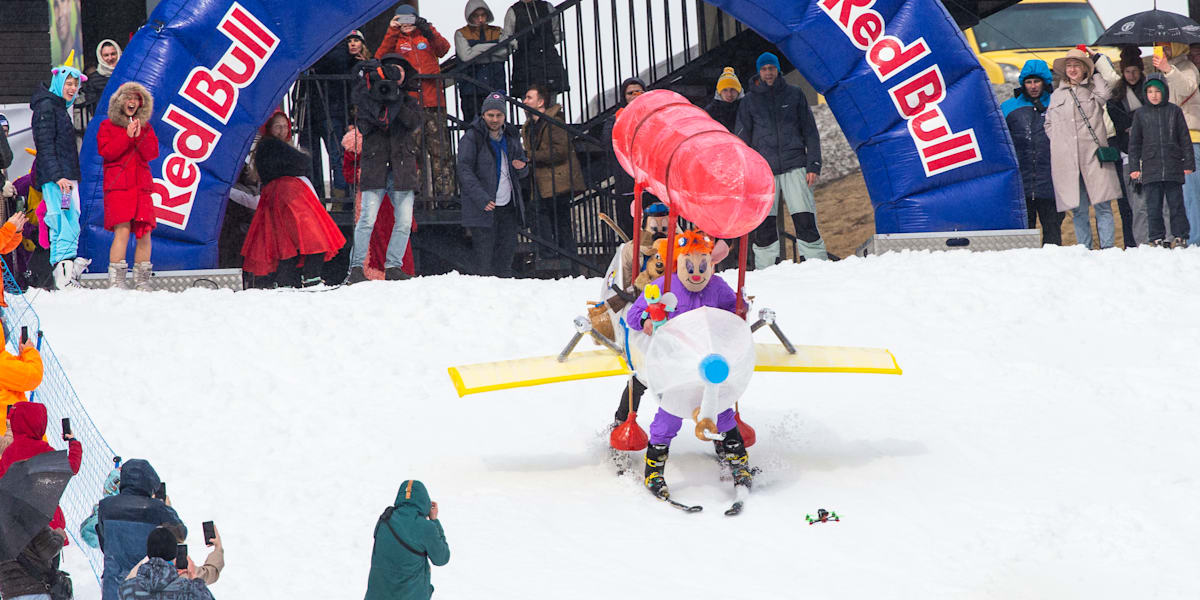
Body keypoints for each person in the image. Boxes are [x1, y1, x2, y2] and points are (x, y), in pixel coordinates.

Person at [624, 229, 754, 498]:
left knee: (723, 414)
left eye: (703, 265)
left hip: (709, 365)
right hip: (676, 369)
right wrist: (646, 322)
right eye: (690, 265)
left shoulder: (717, 286)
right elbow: (633, 315)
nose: (697, 273)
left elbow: (733, 311)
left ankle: (739, 466)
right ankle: (654, 472)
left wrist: (739, 313)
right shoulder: (664, 286)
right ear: (680, 261)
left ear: (711, 263)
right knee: (668, 419)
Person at [735, 52, 827, 266]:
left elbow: (810, 132)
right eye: (765, 69)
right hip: (763, 171)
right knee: (765, 223)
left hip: (795, 164)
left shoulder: (794, 94)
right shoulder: (748, 101)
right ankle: (766, 267)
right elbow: (741, 140)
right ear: (759, 71)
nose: (768, 73)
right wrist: (745, 174)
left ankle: (816, 262)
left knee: (804, 217)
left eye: (772, 68)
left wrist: (813, 164)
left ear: (778, 70)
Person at [241, 112, 346, 287]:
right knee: (312, 238)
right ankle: (310, 278)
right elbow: (302, 161)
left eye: (285, 126)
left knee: (286, 245)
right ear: (269, 128)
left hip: (284, 197)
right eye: (278, 126)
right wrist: (298, 159)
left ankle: (289, 281)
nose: (282, 130)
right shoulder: (271, 145)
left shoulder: (268, 147)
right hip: (287, 197)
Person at [345, 56, 424, 284]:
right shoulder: (368, 99)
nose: (395, 76)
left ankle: (394, 266)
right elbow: (364, 125)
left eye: (398, 72)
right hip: (375, 166)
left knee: (404, 221)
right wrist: (378, 100)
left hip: (402, 168)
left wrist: (395, 101)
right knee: (367, 220)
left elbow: (413, 123)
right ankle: (356, 268)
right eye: (391, 71)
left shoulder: (408, 101)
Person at [1046, 46, 1121, 249]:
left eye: (1077, 66)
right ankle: (1084, 249)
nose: (1072, 69)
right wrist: (1059, 142)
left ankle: (1107, 249)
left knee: (1103, 205)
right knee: (1078, 209)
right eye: (1069, 66)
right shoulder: (1057, 95)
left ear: (1085, 69)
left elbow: (1108, 89)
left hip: (1094, 157)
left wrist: (1095, 65)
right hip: (1068, 161)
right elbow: (1049, 124)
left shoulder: (1093, 89)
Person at [376, 5, 454, 198]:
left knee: (441, 153)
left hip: (433, 102)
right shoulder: (395, 39)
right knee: (411, 155)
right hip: (409, 106)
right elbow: (379, 58)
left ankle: (445, 197)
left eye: (410, 19)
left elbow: (443, 49)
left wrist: (428, 29)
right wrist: (391, 30)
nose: (406, 24)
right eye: (401, 20)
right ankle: (415, 199)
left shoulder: (426, 36)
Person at [32, 52, 89, 288]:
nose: (72, 88)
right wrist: (58, 176)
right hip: (59, 179)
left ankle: (64, 274)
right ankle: (64, 275)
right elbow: (45, 145)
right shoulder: (48, 107)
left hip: (64, 177)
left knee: (66, 219)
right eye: (69, 82)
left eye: (75, 84)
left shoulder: (58, 107)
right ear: (58, 81)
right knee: (64, 220)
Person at [457, 92, 530, 277]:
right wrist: (481, 197)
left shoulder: (512, 135)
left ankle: (502, 296)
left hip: (508, 204)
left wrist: (521, 168)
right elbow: (464, 170)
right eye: (490, 115)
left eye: (499, 115)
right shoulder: (472, 137)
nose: (495, 119)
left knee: (506, 255)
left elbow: (523, 167)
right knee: (484, 259)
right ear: (483, 115)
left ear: (504, 116)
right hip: (484, 206)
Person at [97, 82, 158, 290]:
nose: (132, 102)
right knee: (122, 230)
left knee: (144, 232)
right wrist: (127, 136)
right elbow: (107, 152)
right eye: (128, 98)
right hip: (119, 188)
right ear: (119, 101)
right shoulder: (107, 126)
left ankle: (142, 280)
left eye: (136, 98)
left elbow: (151, 153)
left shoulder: (146, 127)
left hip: (141, 187)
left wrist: (139, 134)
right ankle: (117, 280)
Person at [97, 459, 186, 600]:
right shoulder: (157, 508)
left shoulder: (105, 506)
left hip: (112, 585)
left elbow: (103, 540)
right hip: (146, 587)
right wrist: (167, 508)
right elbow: (181, 534)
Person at [0, 402, 83, 540]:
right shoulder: (45, 451)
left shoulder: (10, 451)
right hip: (46, 522)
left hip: (15, 523)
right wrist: (73, 442)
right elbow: (72, 466)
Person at [522, 84, 584, 264]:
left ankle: (568, 262)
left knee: (561, 223)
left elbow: (560, 151)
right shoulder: (530, 125)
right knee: (543, 218)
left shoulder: (553, 122)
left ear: (541, 102)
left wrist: (530, 157)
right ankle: (552, 257)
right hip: (543, 183)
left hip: (557, 183)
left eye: (529, 97)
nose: (524, 101)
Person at [1001, 60, 1062, 246]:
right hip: (1021, 184)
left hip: (1051, 183)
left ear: (1045, 82)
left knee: (1053, 233)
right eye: (1029, 82)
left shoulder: (1058, 104)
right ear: (1023, 83)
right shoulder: (1008, 107)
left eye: (1037, 81)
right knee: (1024, 237)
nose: (1033, 86)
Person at [1129, 75, 1194, 247]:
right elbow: (1134, 143)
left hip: (1173, 165)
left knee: (1176, 205)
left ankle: (1180, 236)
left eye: (1158, 91)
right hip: (1151, 167)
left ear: (1164, 92)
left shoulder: (1174, 111)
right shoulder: (1140, 114)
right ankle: (1156, 237)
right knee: (1153, 206)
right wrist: (1134, 166)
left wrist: (1188, 163)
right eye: (1150, 91)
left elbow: (1184, 139)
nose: (1154, 95)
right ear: (1145, 93)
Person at [300, 30, 362, 199]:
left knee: (336, 156)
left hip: (331, 108)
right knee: (309, 159)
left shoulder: (338, 43)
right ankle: (316, 197)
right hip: (309, 110)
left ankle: (341, 198)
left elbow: (336, 62)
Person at [364, 479, 450, 600]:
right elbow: (441, 558)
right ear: (425, 501)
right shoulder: (426, 527)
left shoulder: (385, 520)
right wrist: (434, 520)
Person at [1158, 42, 1200, 246]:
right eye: (1159, 47)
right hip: (1172, 140)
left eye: (1167, 47)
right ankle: (1184, 235)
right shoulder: (1165, 69)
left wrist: (1168, 69)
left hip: (1191, 139)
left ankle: (1195, 239)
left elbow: (1187, 87)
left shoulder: (1186, 67)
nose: (1163, 51)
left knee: (1191, 193)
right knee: (1179, 194)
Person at [1107, 52, 1147, 246]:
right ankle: (1131, 242)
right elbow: (1117, 118)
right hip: (1127, 153)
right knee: (1130, 203)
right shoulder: (1117, 95)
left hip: (1150, 152)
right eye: (1127, 72)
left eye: (1134, 71)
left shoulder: (1150, 89)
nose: (1131, 76)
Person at [118, 526, 222, 599]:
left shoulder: (127, 589)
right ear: (175, 556)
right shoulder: (189, 587)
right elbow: (211, 572)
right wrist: (218, 548)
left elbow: (130, 580)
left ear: (148, 554)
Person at [602, 77, 646, 237]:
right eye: (630, 93)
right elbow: (608, 143)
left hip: (651, 185)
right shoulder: (615, 119)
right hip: (627, 183)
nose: (635, 95)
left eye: (639, 91)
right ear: (624, 96)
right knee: (630, 233)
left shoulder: (654, 116)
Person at [455, 0, 509, 125]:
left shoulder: (497, 31)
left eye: (483, 15)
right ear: (469, 16)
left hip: (494, 85)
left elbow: (506, 51)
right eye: (476, 16)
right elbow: (466, 56)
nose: (480, 19)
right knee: (473, 128)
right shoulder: (461, 33)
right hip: (470, 90)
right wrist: (493, 48)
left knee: (497, 126)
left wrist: (476, 49)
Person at [503, 0, 568, 98]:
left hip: (548, 62)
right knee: (530, 105)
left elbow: (557, 32)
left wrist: (547, 41)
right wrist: (519, 44)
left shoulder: (547, 6)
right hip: (526, 64)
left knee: (550, 102)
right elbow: (508, 38)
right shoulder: (513, 11)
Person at [0, 527, 68, 600]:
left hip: (9, 592)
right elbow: (47, 551)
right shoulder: (31, 520)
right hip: (36, 588)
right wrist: (59, 536)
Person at [80, 39, 122, 117]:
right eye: (106, 55)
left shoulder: (127, 73)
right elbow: (92, 106)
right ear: (100, 57)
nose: (110, 58)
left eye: (113, 54)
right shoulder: (93, 79)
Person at [704, 67, 743, 132]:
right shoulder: (710, 111)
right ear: (719, 92)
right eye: (725, 90)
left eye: (733, 90)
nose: (729, 94)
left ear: (738, 91)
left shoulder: (747, 107)